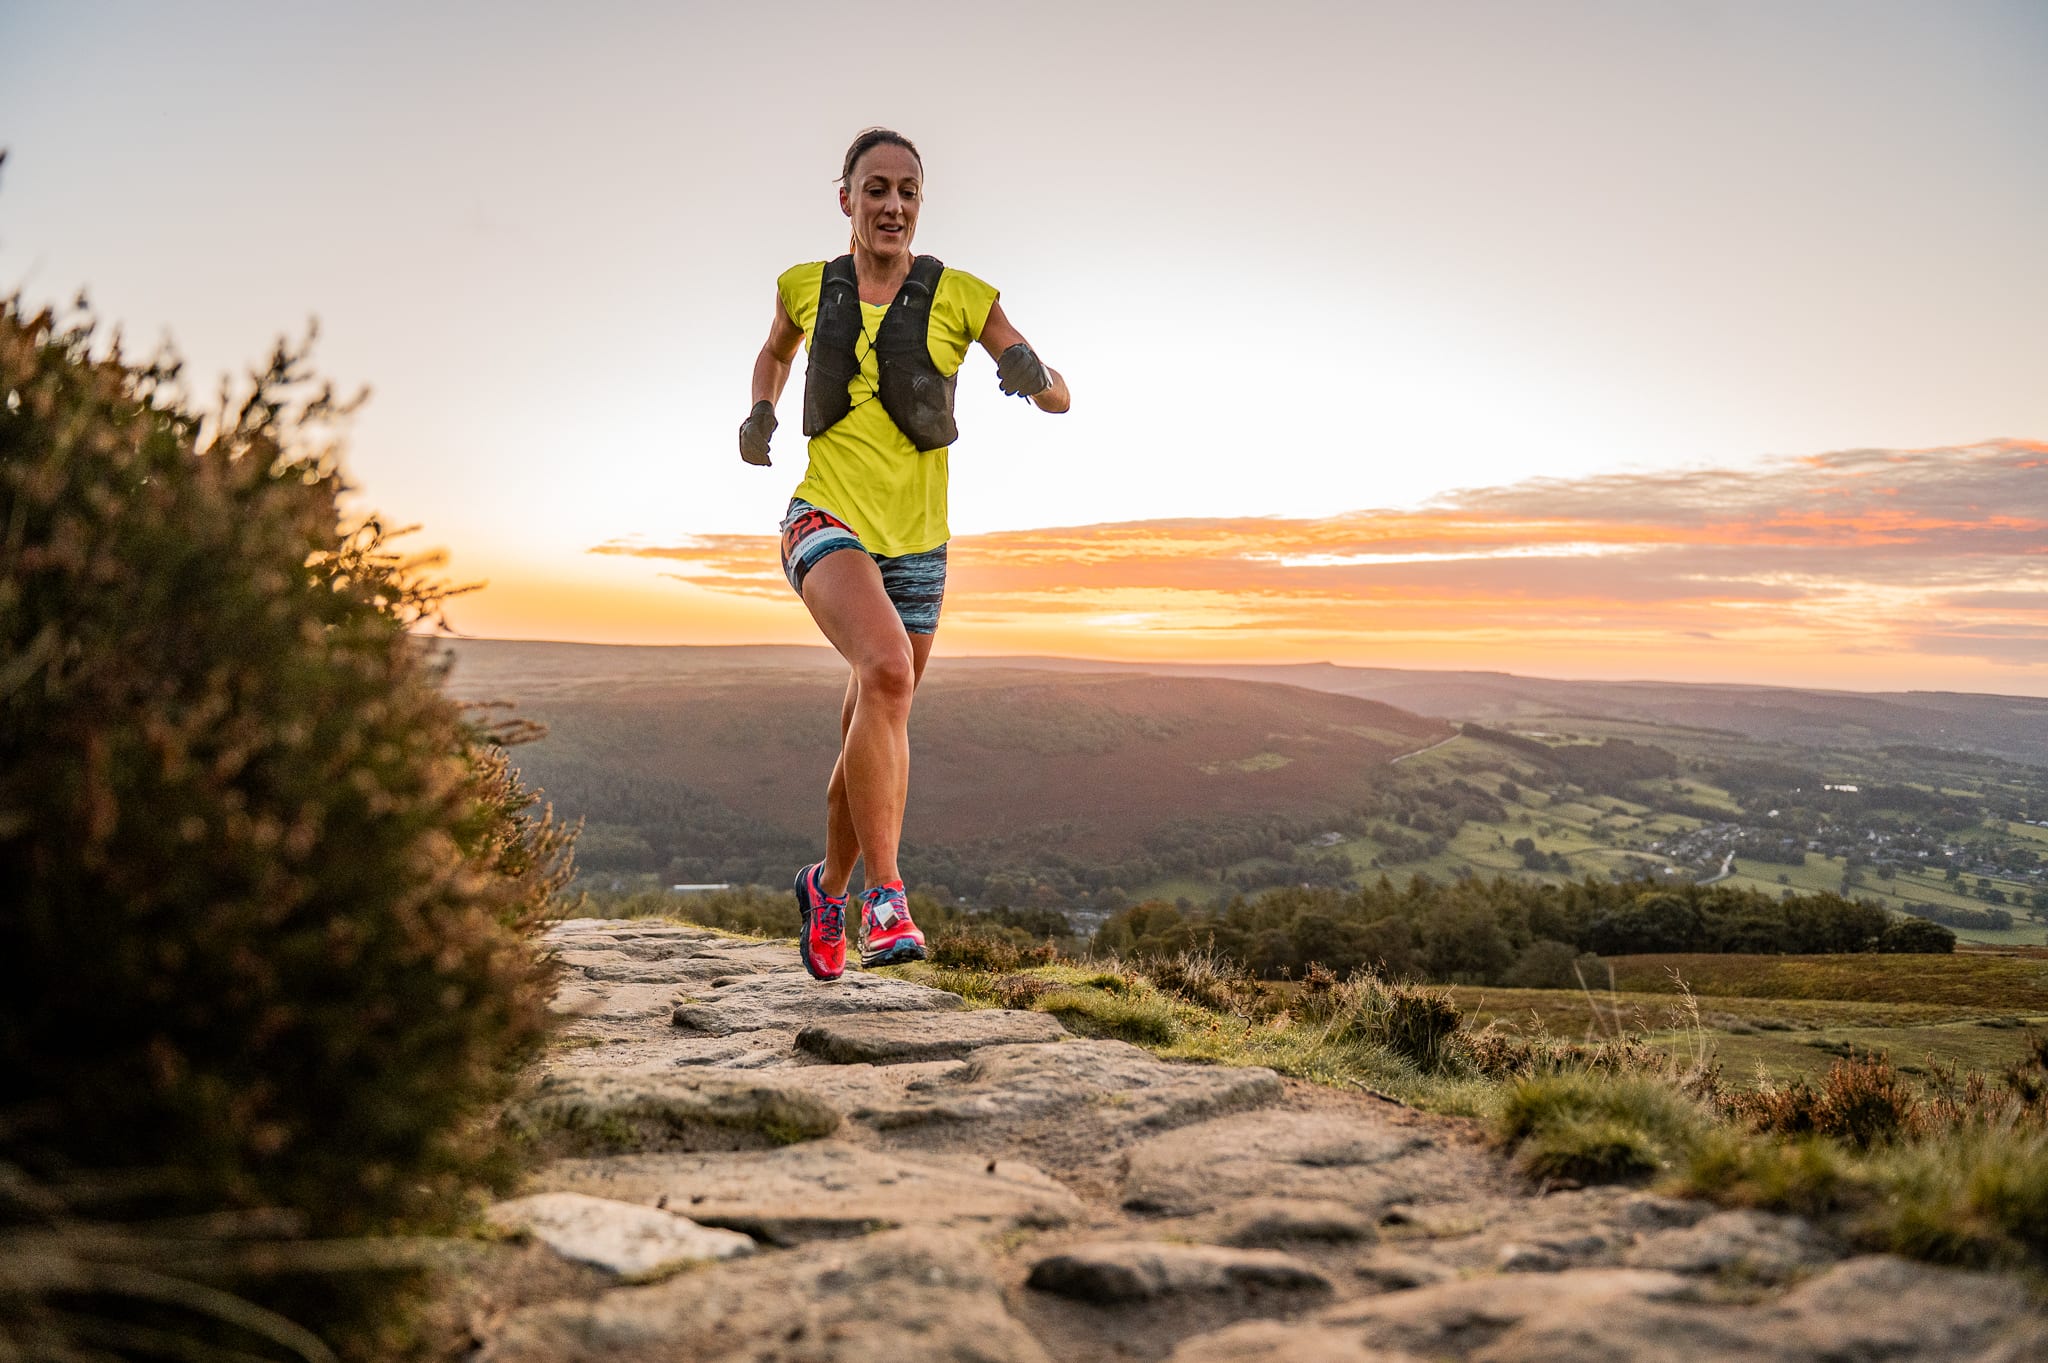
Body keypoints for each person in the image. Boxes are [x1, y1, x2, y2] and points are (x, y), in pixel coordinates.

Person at [738, 128, 1069, 982]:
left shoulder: (961, 295)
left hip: (919, 546)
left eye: (908, 192)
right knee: (887, 671)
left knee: (873, 720)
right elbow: (775, 352)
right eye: (876, 188)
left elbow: (1058, 393)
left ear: (921, 204)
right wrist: (762, 413)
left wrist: (1029, 374)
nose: (893, 205)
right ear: (845, 198)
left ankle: (827, 888)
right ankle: (887, 896)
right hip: (824, 519)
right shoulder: (805, 287)